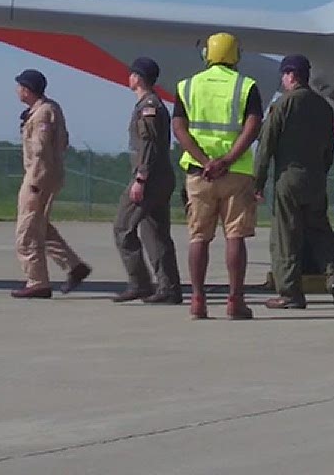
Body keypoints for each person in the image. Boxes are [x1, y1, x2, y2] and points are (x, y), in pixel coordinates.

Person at [171, 32, 264, 320]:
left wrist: (204, 161)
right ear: (236, 55)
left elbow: (178, 127)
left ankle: (197, 301)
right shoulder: (246, 86)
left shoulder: (187, 87)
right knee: (235, 236)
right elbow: (253, 126)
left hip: (200, 175)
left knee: (198, 237)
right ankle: (235, 301)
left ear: (206, 55)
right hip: (235, 173)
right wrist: (226, 160)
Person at [254, 54, 334, 309]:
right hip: (316, 177)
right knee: (320, 232)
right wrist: (320, 171)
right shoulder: (324, 107)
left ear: (290, 75)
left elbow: (266, 146)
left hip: (289, 177)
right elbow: (330, 147)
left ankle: (290, 293)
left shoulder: (283, 105)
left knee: (286, 235)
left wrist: (258, 181)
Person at [12, 68, 90, 299]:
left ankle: (37, 281)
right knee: (40, 226)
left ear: (27, 89)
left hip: (38, 176)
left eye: (20, 86)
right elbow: (63, 142)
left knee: (26, 232)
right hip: (47, 175)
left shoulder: (42, 114)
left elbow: (40, 151)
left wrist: (35, 183)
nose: (17, 90)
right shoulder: (48, 109)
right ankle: (74, 266)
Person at [112, 56, 182, 304]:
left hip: (150, 178)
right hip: (160, 177)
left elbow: (148, 145)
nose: (129, 77)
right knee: (155, 233)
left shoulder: (148, 107)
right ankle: (169, 287)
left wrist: (140, 178)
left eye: (132, 73)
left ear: (138, 78)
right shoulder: (150, 104)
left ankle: (140, 283)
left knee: (123, 228)